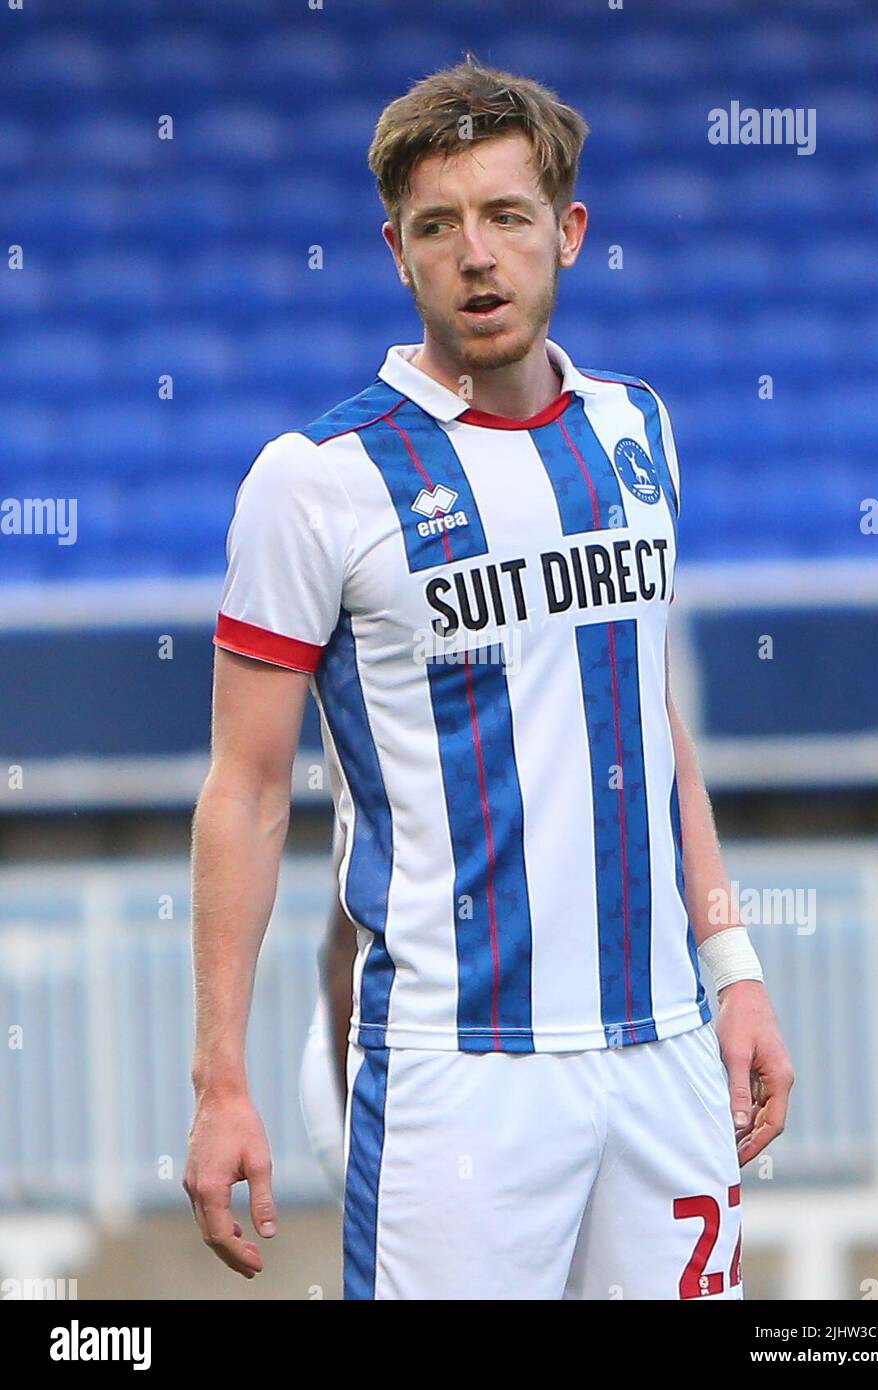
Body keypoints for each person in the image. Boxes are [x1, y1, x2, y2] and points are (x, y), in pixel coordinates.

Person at [184, 57, 794, 1300]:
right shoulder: (315, 481)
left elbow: (645, 710)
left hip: (662, 1051)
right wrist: (220, 1079)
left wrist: (730, 969)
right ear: (396, 255)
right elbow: (244, 793)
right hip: (454, 1068)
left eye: (507, 216)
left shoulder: (635, 430)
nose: (476, 255)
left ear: (566, 232)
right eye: (437, 226)